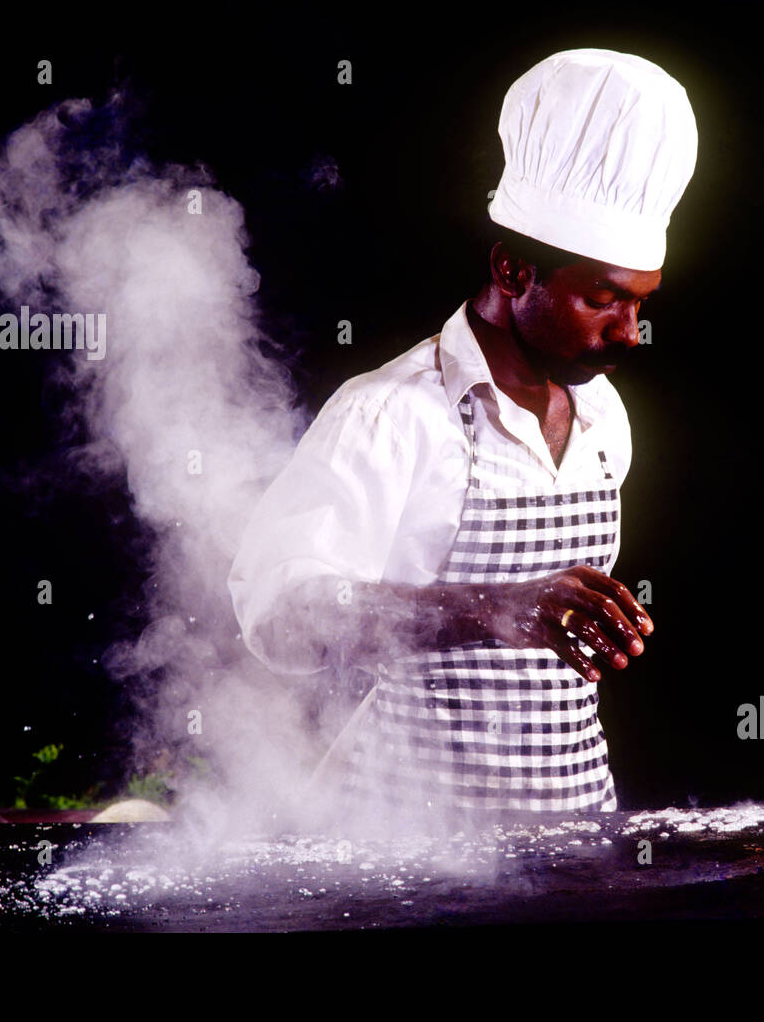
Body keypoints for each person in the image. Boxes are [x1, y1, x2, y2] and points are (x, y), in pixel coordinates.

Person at [229, 48, 698, 812]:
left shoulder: (605, 417)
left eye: (640, 305)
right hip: (414, 851)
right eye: (604, 300)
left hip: (577, 836)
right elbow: (279, 618)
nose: (630, 333)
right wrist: (491, 605)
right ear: (513, 271)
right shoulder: (391, 413)